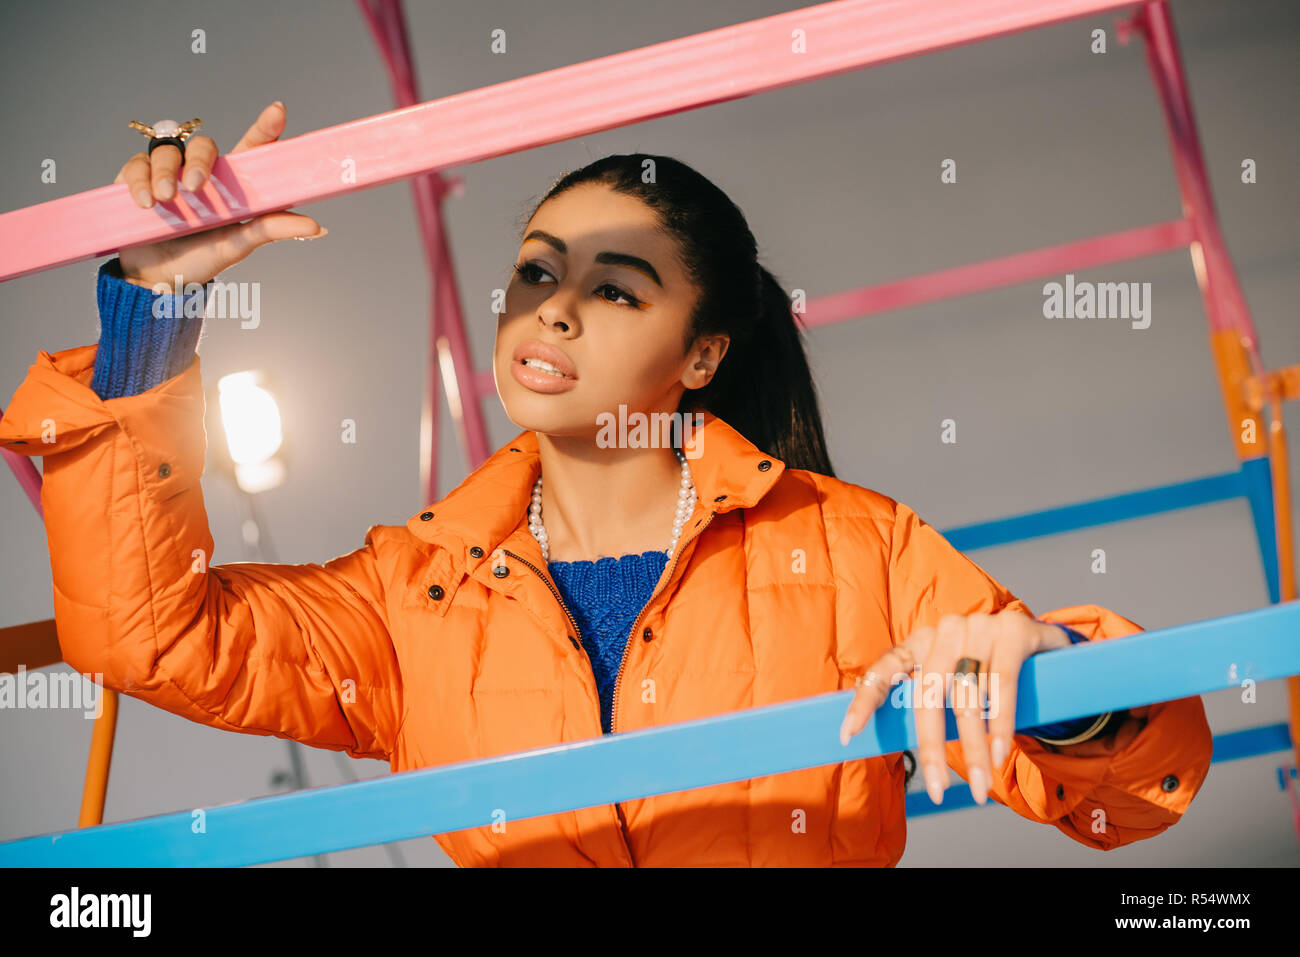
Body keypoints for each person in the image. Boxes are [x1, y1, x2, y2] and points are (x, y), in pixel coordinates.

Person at [0, 102, 1213, 867]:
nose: (555, 308)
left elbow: (1126, 797)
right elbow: (150, 638)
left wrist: (1061, 688)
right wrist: (155, 308)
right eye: (536, 271)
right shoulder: (406, 593)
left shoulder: (858, 552)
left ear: (702, 355)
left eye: (616, 288)